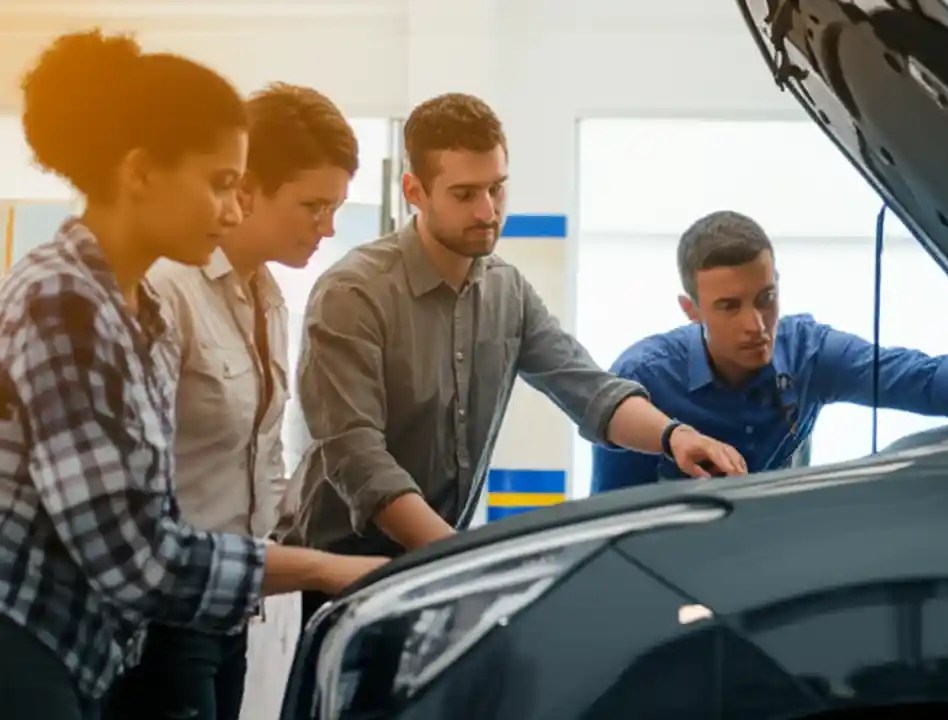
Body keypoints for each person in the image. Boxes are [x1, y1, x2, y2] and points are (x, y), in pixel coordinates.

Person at [0, 30, 385, 720]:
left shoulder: (134, 306)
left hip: (91, 644)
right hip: (27, 642)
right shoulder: (61, 302)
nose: (234, 211)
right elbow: (136, 559)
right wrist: (328, 568)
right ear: (141, 172)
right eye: (221, 185)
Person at [285, 92, 747, 621]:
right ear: (415, 191)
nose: (488, 212)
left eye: (497, 188)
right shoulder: (353, 294)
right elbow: (360, 461)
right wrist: (464, 561)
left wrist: (676, 436)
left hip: (430, 574)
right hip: (331, 585)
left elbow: (587, 389)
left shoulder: (507, 291)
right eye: (464, 194)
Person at [103, 83, 359, 720]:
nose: (327, 227)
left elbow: (260, 455)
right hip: (161, 619)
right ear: (247, 190)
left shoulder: (267, 297)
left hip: (231, 610)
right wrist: (320, 568)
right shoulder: (168, 292)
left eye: (335, 208)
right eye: (312, 206)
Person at [591, 210, 948, 492]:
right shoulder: (642, 380)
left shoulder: (809, 352)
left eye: (766, 298)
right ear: (690, 309)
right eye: (728, 307)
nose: (756, 324)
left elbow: (917, 377)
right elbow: (604, 520)